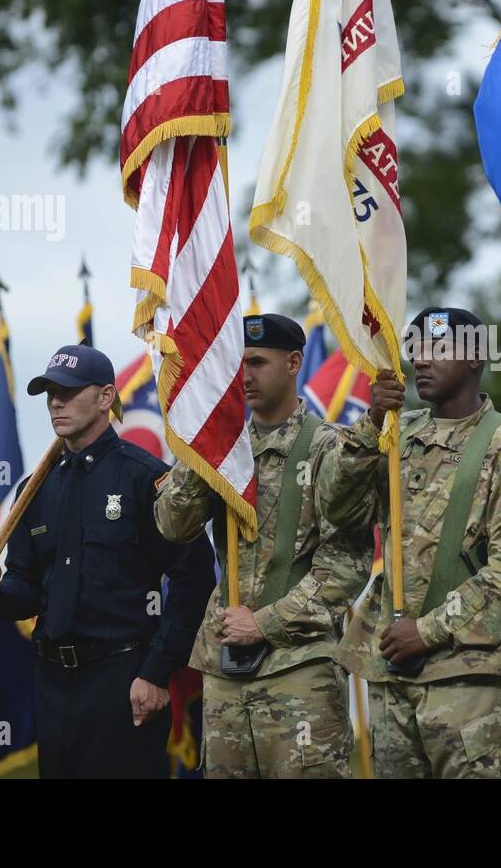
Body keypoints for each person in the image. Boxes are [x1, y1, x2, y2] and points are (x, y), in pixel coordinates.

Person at [317, 307, 501, 778]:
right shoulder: (395, 436)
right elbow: (335, 508)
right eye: (417, 350)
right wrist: (373, 421)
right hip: (392, 673)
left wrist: (425, 632)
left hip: (471, 677)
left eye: (439, 349)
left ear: (476, 359)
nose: (422, 361)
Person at [0, 344, 214, 778]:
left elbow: (194, 578)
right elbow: (26, 590)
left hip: (125, 679)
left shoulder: (145, 477)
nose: (56, 402)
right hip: (54, 685)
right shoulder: (32, 491)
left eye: (69, 391)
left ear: (106, 397)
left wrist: (156, 672)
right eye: (49, 392)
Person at [154, 314, 372, 778]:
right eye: (238, 365)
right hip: (224, 667)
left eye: (257, 362)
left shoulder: (330, 448)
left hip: (300, 668)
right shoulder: (220, 450)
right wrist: (204, 451)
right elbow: (173, 526)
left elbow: (347, 565)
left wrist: (266, 624)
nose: (245, 376)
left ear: (294, 363)